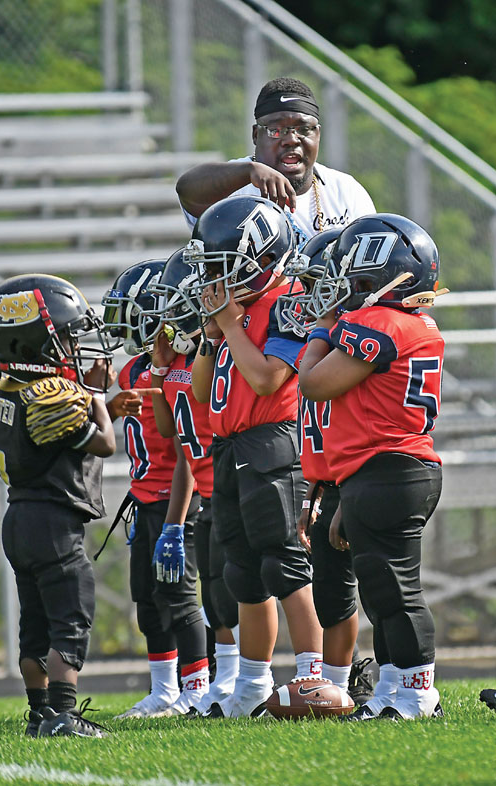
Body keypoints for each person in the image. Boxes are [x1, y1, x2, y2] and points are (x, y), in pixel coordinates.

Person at [297, 212, 448, 720]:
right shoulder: (409, 322)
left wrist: (322, 327)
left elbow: (313, 382)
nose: (341, 283)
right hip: (387, 468)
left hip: (391, 468)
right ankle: (391, 689)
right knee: (381, 587)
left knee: (395, 587)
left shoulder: (377, 322)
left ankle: (417, 693)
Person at [186, 194, 324, 718]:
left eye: (226, 267)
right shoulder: (233, 312)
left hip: (271, 441)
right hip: (228, 445)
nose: (217, 280)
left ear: (263, 259)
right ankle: (252, 684)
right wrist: (211, 333)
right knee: (242, 570)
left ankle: (313, 677)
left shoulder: (289, 301)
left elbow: (267, 378)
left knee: (284, 561)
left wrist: (232, 323)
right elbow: (201, 391)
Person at [0, 273, 116, 739]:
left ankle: (38, 712)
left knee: (33, 623)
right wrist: (96, 397)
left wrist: (99, 403)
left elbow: (50, 438)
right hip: (55, 522)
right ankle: (62, 714)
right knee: (70, 618)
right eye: (69, 337)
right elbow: (104, 445)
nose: (76, 348)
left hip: (19, 518)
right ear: (37, 343)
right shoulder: (49, 397)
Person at [100, 260, 210, 718]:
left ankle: (197, 687)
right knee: (147, 597)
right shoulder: (133, 371)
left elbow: (188, 449)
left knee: (180, 598)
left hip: (177, 499)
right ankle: (163, 688)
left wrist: (175, 523)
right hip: (144, 498)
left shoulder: (185, 369)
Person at [142, 247, 241, 715]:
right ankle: (226, 680)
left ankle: (254, 676)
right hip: (203, 486)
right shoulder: (182, 358)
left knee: (246, 587)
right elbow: (172, 435)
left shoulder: (216, 352)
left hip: (231, 481)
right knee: (215, 595)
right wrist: (160, 370)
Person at [279, 227, 368, 702]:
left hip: (357, 477)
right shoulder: (330, 337)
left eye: (318, 282)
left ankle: (364, 682)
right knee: (332, 589)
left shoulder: (356, 344)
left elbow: (343, 420)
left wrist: (340, 493)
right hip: (327, 478)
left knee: (373, 589)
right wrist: (314, 492)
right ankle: (339, 687)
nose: (309, 294)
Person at [175, 75, 375, 248]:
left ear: (318, 134)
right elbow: (186, 189)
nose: (291, 140)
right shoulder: (234, 185)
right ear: (256, 135)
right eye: (276, 130)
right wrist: (249, 171)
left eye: (304, 129)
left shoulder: (345, 190)